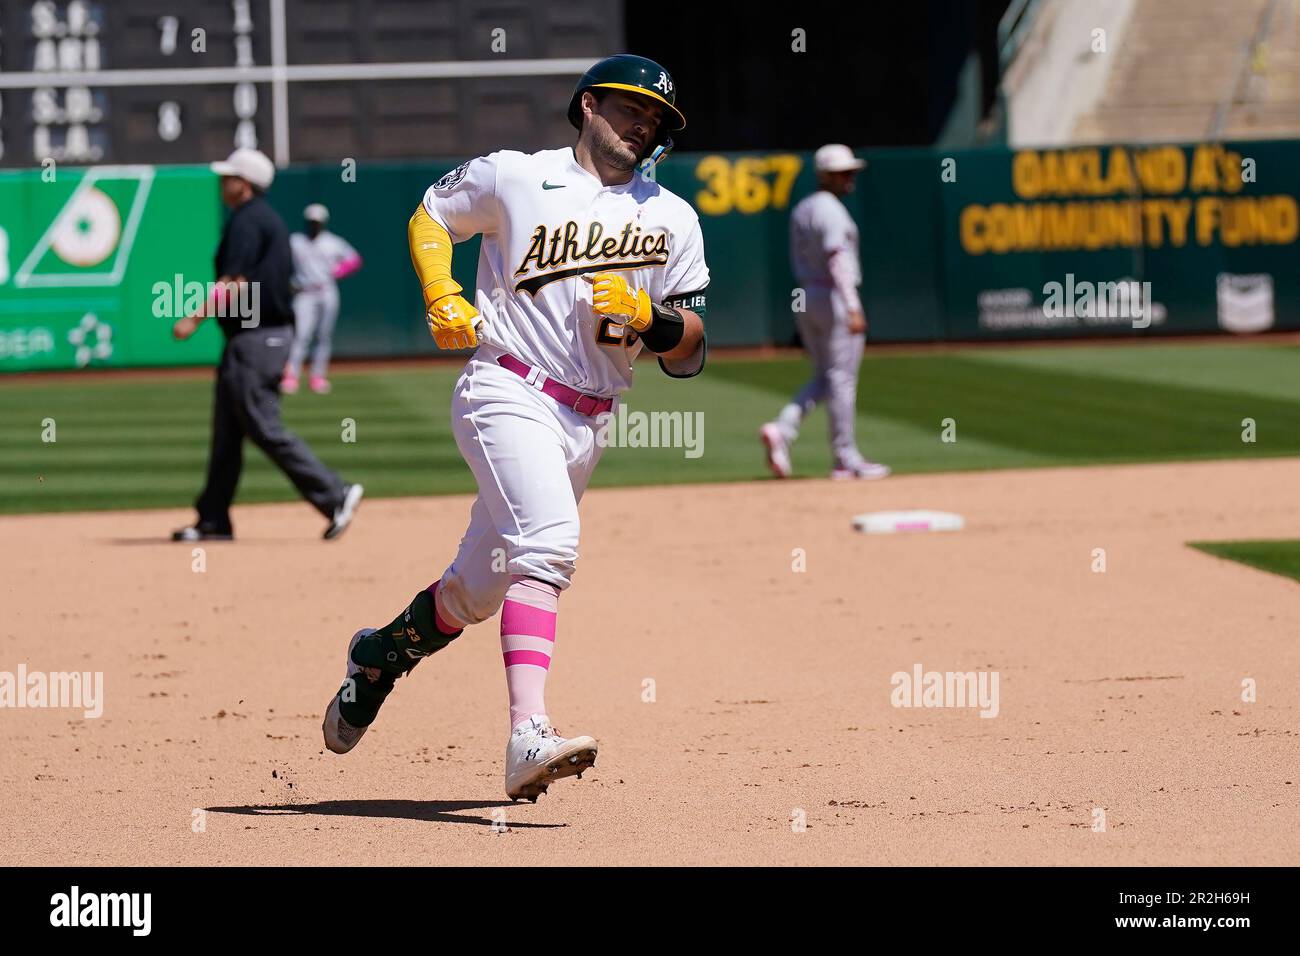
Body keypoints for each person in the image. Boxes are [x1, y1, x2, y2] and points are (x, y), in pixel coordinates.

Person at [320, 54, 709, 802]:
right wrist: (440, 292)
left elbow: (691, 349)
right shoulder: (516, 176)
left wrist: (653, 319)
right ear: (589, 104)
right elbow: (433, 215)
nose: (643, 124)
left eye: (655, 118)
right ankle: (527, 736)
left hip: (589, 426)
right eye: (630, 108)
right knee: (551, 546)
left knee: (474, 591)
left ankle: (376, 658)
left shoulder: (672, 217)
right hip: (508, 387)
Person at [171, 148, 364, 542]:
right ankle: (213, 518)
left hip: (259, 338)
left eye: (228, 177)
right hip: (254, 337)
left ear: (243, 184)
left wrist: (193, 317)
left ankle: (334, 494)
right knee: (227, 432)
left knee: (262, 425)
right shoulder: (262, 219)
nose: (222, 182)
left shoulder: (248, 220)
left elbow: (235, 282)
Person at [759, 144, 890, 481]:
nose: (850, 179)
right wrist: (852, 305)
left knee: (826, 377)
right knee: (842, 379)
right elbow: (837, 258)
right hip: (831, 295)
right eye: (843, 173)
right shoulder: (831, 210)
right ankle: (845, 458)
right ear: (825, 175)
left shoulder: (805, 207)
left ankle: (782, 429)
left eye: (851, 172)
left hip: (806, 294)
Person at [282, 203, 363, 395]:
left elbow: (354, 259)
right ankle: (291, 375)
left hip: (326, 290)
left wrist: (338, 271)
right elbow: (281, 260)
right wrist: (289, 281)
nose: (314, 225)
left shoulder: (332, 242)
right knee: (301, 335)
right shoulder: (296, 241)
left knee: (323, 336)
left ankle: (317, 376)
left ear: (323, 223)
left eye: (317, 222)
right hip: (304, 292)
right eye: (311, 222)